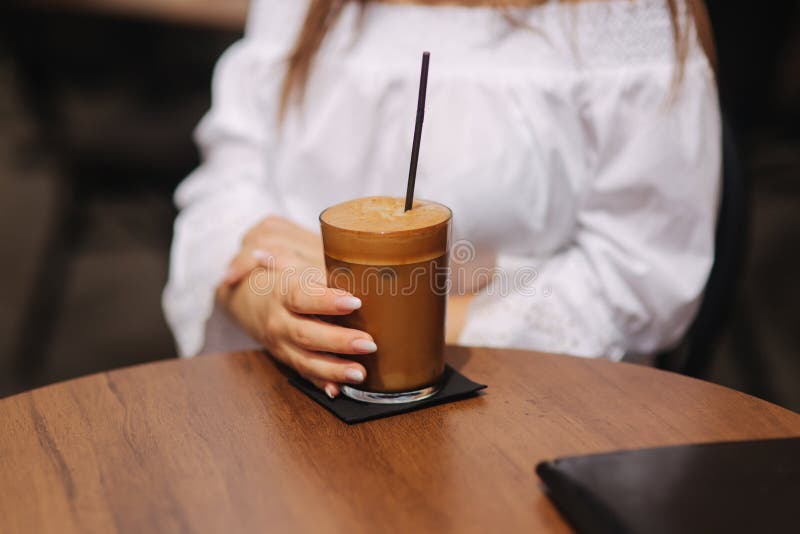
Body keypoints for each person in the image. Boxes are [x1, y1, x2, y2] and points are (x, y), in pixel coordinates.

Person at [163, 0, 721, 398]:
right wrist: (265, 299)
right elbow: (225, 188)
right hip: (292, 403)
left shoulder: (626, 17)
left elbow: (640, 277)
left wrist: (404, 323)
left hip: (524, 414)